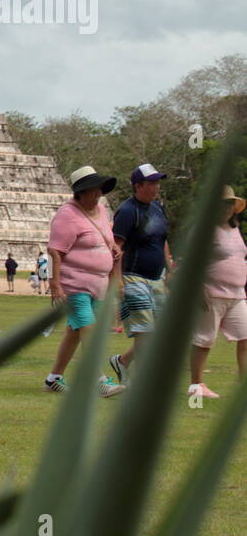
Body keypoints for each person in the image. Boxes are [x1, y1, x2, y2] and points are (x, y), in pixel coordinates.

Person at [44, 166, 124, 397]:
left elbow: (107, 237)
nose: (97, 196)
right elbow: (55, 252)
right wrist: (55, 285)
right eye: (92, 192)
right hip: (74, 285)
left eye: (99, 191)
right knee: (89, 330)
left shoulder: (99, 210)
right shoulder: (67, 215)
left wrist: (115, 248)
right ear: (80, 192)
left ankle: (53, 379)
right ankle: (98, 380)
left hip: (97, 286)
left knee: (74, 332)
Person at [108, 164, 176, 387]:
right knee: (145, 331)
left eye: (158, 182)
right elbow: (116, 248)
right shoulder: (128, 211)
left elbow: (162, 239)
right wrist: (117, 281)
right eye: (152, 183)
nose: (156, 187)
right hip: (133, 277)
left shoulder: (157, 208)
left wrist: (170, 267)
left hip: (156, 279)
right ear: (138, 186)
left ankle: (122, 361)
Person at [188, 186, 247, 399]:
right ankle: (197, 384)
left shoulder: (235, 228)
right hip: (212, 293)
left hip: (237, 294)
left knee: (245, 336)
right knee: (204, 340)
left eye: (230, 204)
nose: (227, 208)